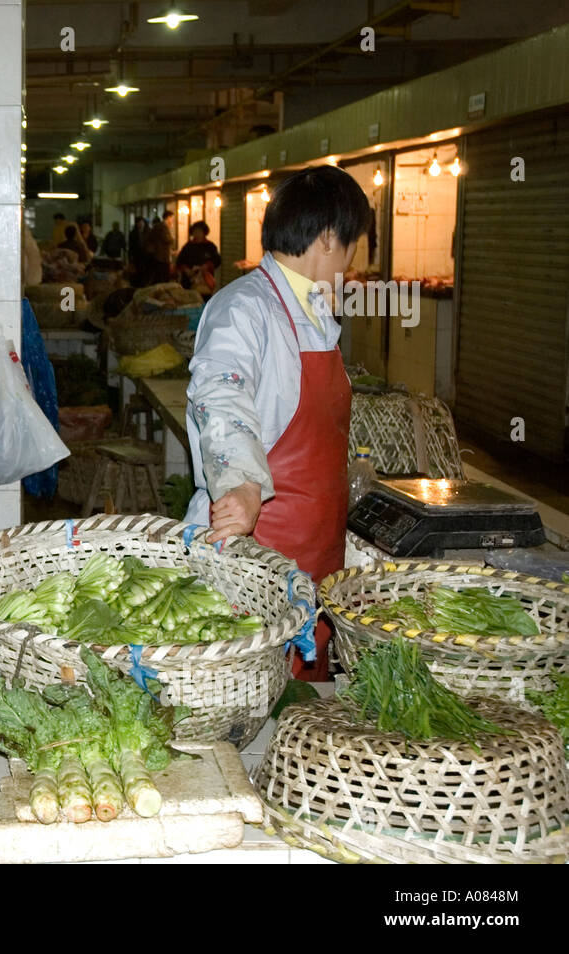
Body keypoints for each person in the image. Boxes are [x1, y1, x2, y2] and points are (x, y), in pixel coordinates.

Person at [184, 165, 371, 681]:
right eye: (353, 244)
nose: (352, 263)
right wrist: (240, 485)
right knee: (255, 701)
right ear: (329, 238)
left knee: (301, 710)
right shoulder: (244, 308)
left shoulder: (311, 310)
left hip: (315, 558)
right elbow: (220, 394)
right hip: (258, 558)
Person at [143, 209, 176, 282]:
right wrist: (172, 238)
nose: (172, 220)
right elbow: (167, 239)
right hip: (161, 256)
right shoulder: (162, 227)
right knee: (163, 277)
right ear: (168, 218)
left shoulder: (159, 226)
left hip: (159, 255)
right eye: (172, 218)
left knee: (159, 276)